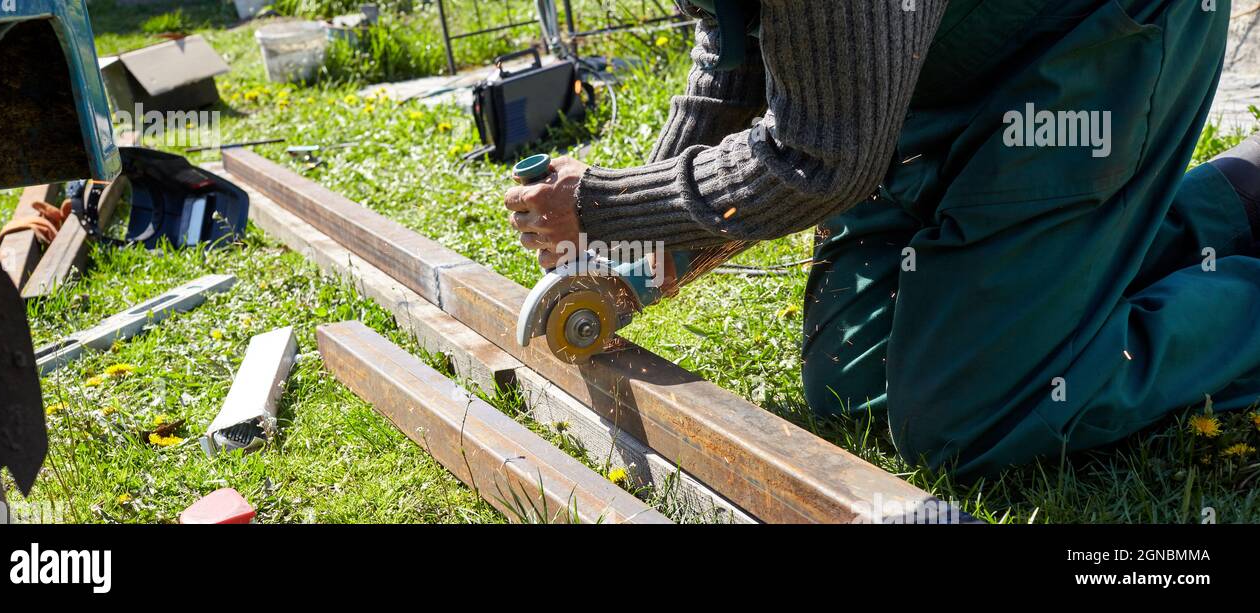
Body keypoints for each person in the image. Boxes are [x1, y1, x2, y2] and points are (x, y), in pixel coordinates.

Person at [504, 0, 1260, 476]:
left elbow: (823, 161)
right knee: (853, 381)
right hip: (935, 64)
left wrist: (607, 203)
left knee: (963, 415)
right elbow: (733, 59)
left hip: (1094, 38)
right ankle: (1225, 205)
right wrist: (639, 246)